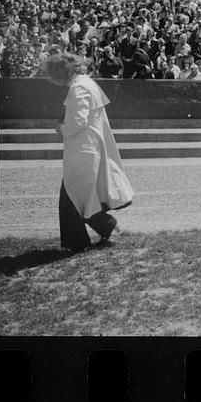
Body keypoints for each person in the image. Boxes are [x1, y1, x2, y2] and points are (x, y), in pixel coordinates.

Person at [44, 52, 133, 252]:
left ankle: (84, 238)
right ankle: (101, 228)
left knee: (74, 196)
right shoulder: (87, 83)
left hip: (83, 148)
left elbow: (78, 122)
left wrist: (61, 129)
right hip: (89, 146)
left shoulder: (78, 88)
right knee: (78, 195)